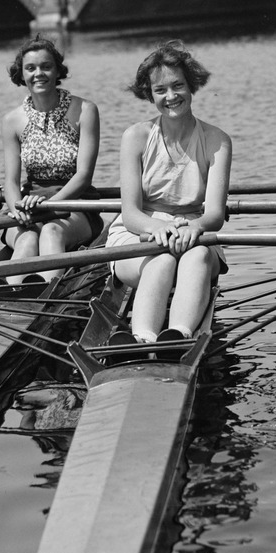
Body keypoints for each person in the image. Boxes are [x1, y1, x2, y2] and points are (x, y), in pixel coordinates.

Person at [106, 41, 231, 344]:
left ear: (192, 87)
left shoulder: (217, 140)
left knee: (198, 255)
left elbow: (214, 214)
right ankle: (142, 339)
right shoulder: (135, 137)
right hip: (141, 231)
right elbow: (132, 214)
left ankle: (178, 337)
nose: (171, 96)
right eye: (160, 90)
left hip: (195, 231)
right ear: (149, 95)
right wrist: (159, 228)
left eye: (178, 86)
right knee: (161, 259)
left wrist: (195, 227)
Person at [0, 37, 103, 284]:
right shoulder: (12, 121)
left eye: (46, 66)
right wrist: (18, 210)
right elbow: (11, 182)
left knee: (51, 231)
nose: (39, 74)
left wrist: (48, 206)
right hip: (28, 205)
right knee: (26, 239)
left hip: (75, 204)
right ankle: (11, 304)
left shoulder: (85, 110)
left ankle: (45, 299)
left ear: (58, 70)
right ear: (21, 74)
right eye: (31, 68)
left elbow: (83, 176)